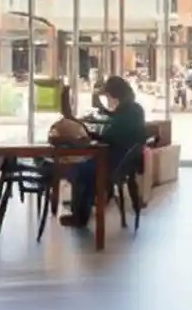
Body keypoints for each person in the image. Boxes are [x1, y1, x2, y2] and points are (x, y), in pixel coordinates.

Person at [62, 75, 147, 227]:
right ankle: (81, 205)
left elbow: (108, 136)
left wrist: (88, 133)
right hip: (124, 161)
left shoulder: (126, 114)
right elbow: (115, 126)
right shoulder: (134, 109)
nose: (108, 100)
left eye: (108, 96)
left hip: (115, 163)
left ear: (115, 95)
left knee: (79, 169)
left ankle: (81, 212)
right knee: (85, 169)